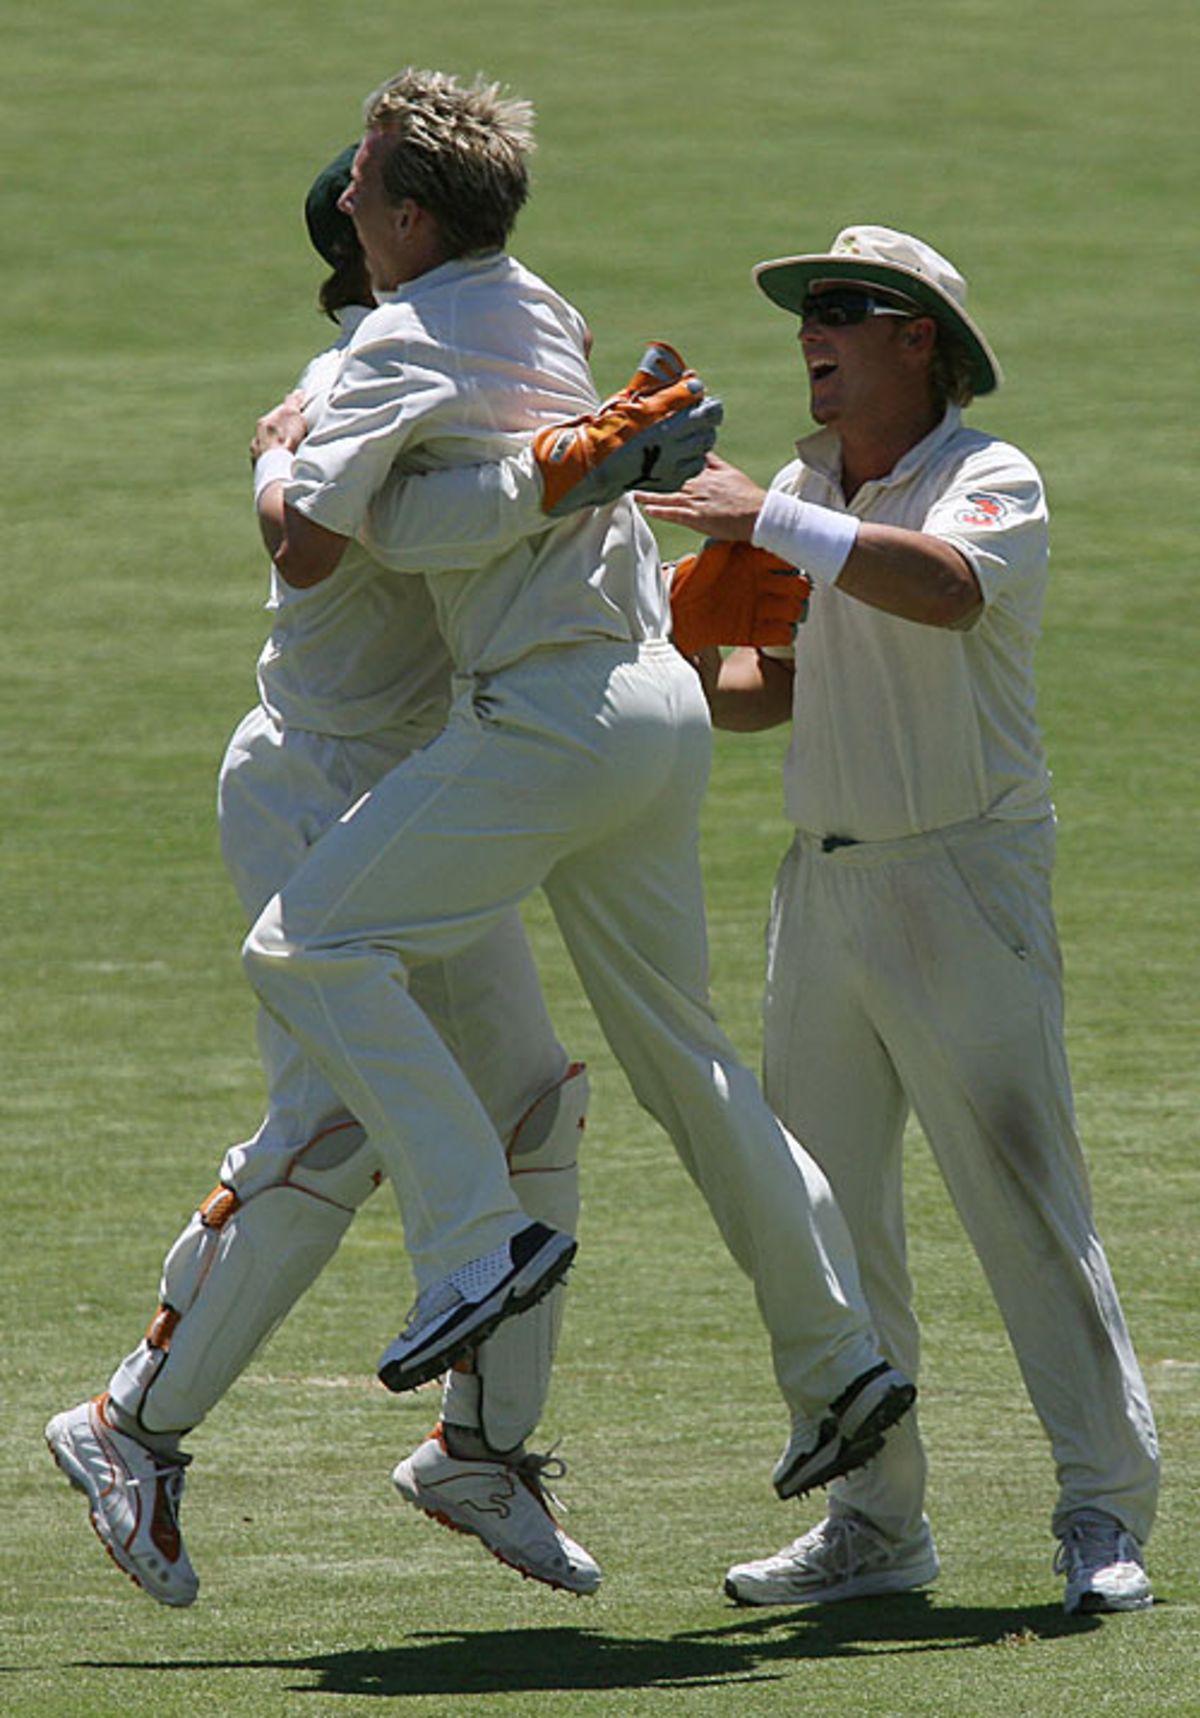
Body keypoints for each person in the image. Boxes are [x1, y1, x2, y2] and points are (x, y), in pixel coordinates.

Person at [242, 67, 916, 1565]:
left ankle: (470, 1239)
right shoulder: (541, 307)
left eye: (361, 188)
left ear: (408, 216)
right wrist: (561, 468)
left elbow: (310, 552)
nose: (344, 205)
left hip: (546, 714)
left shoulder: (392, 342)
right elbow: (428, 519)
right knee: (687, 1057)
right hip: (661, 701)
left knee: (301, 949)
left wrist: (276, 449)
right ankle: (841, 1358)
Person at [43, 143, 716, 1606]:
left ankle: (480, 1447)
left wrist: (603, 452)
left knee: (541, 1100)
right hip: (316, 781)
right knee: (336, 1122)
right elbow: (368, 537)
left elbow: (531, 461)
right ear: (379, 254)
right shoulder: (372, 381)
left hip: (437, 787)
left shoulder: (487, 349)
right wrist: (569, 457)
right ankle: (129, 1425)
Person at [645, 224, 1160, 1616]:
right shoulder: (807, 485)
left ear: (917, 338)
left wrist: (764, 517)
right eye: (807, 310)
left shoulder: (990, 480)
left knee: (1021, 1197)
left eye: (843, 308)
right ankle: (878, 1521)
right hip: (824, 889)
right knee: (824, 1214)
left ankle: (1106, 1510)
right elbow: (769, 689)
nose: (812, 328)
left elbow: (938, 590)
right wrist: (646, 639)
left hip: (964, 878)